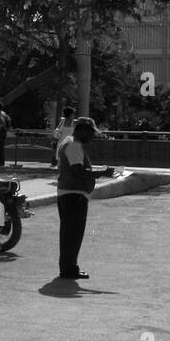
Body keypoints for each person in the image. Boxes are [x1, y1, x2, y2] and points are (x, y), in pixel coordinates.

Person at [55, 116, 116, 281]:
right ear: (81, 130)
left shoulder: (71, 143)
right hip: (73, 195)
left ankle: (69, 267)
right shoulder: (74, 146)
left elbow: (79, 169)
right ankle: (69, 269)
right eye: (90, 132)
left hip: (72, 194)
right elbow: (78, 171)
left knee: (71, 233)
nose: (92, 136)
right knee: (73, 233)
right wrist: (103, 173)